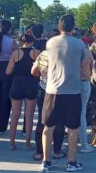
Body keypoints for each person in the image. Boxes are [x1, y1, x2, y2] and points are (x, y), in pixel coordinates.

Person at [37, 14, 88, 172]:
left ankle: (46, 161)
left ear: (59, 27)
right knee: (73, 129)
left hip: (52, 91)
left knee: (48, 126)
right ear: (74, 27)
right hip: (73, 91)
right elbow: (84, 69)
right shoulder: (80, 45)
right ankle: (71, 162)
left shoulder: (50, 42)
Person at [31, 34, 66, 163]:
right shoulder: (64, 55)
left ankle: (39, 152)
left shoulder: (43, 54)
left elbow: (33, 71)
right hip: (60, 91)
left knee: (42, 120)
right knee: (59, 121)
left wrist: (43, 75)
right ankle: (57, 151)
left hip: (44, 89)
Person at [6, 32, 39, 151]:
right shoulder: (36, 53)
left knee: (15, 114)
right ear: (32, 42)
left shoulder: (16, 53)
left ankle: (12, 143)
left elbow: (8, 71)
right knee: (29, 115)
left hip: (17, 84)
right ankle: (27, 143)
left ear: (21, 42)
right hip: (31, 84)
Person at [77, 33, 94, 154]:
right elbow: (92, 68)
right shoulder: (88, 53)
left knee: (68, 113)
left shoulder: (74, 53)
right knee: (82, 113)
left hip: (73, 84)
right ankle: (84, 143)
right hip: (85, 83)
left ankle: (62, 143)